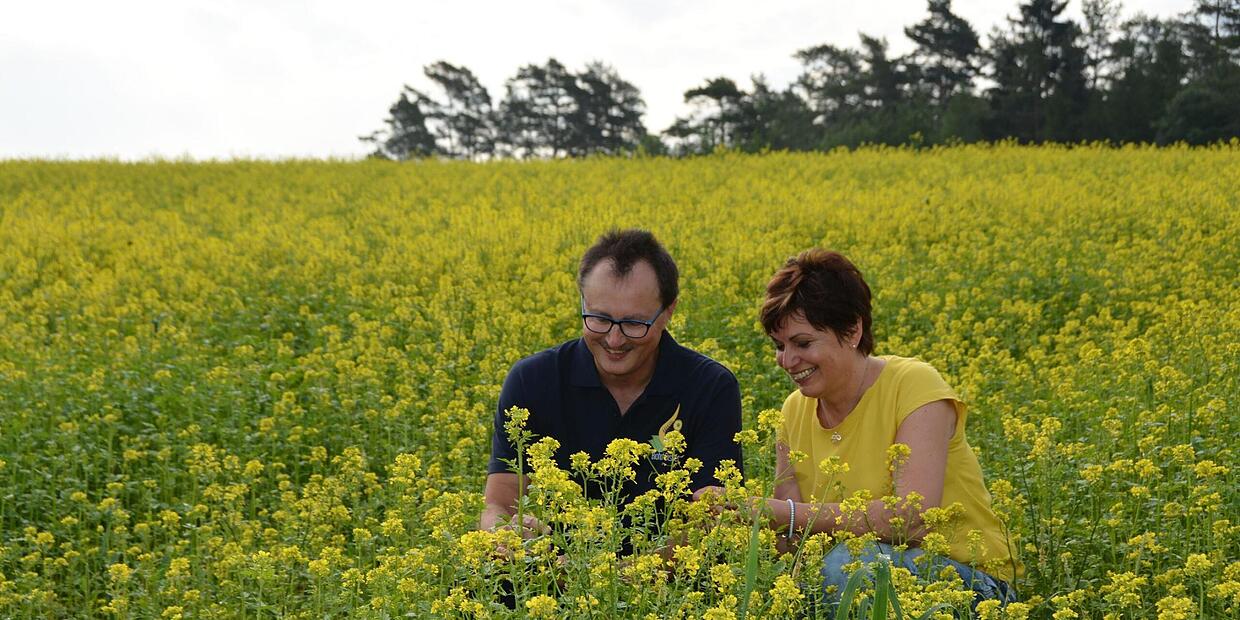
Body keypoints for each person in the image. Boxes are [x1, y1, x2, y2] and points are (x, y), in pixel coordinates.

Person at [697, 249, 1019, 607]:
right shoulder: (792, 412)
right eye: (779, 346)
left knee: (848, 569)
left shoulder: (915, 387)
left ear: (852, 329)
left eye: (802, 343)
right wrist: (737, 525)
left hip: (966, 579)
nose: (787, 361)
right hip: (852, 580)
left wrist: (776, 512)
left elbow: (912, 520)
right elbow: (794, 543)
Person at [480, 229, 743, 536]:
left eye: (633, 323)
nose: (614, 339)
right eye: (599, 318)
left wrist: (621, 576)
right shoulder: (532, 380)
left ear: (668, 311)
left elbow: (712, 521)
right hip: (546, 572)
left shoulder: (710, 387)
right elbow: (498, 504)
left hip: (667, 579)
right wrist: (506, 535)